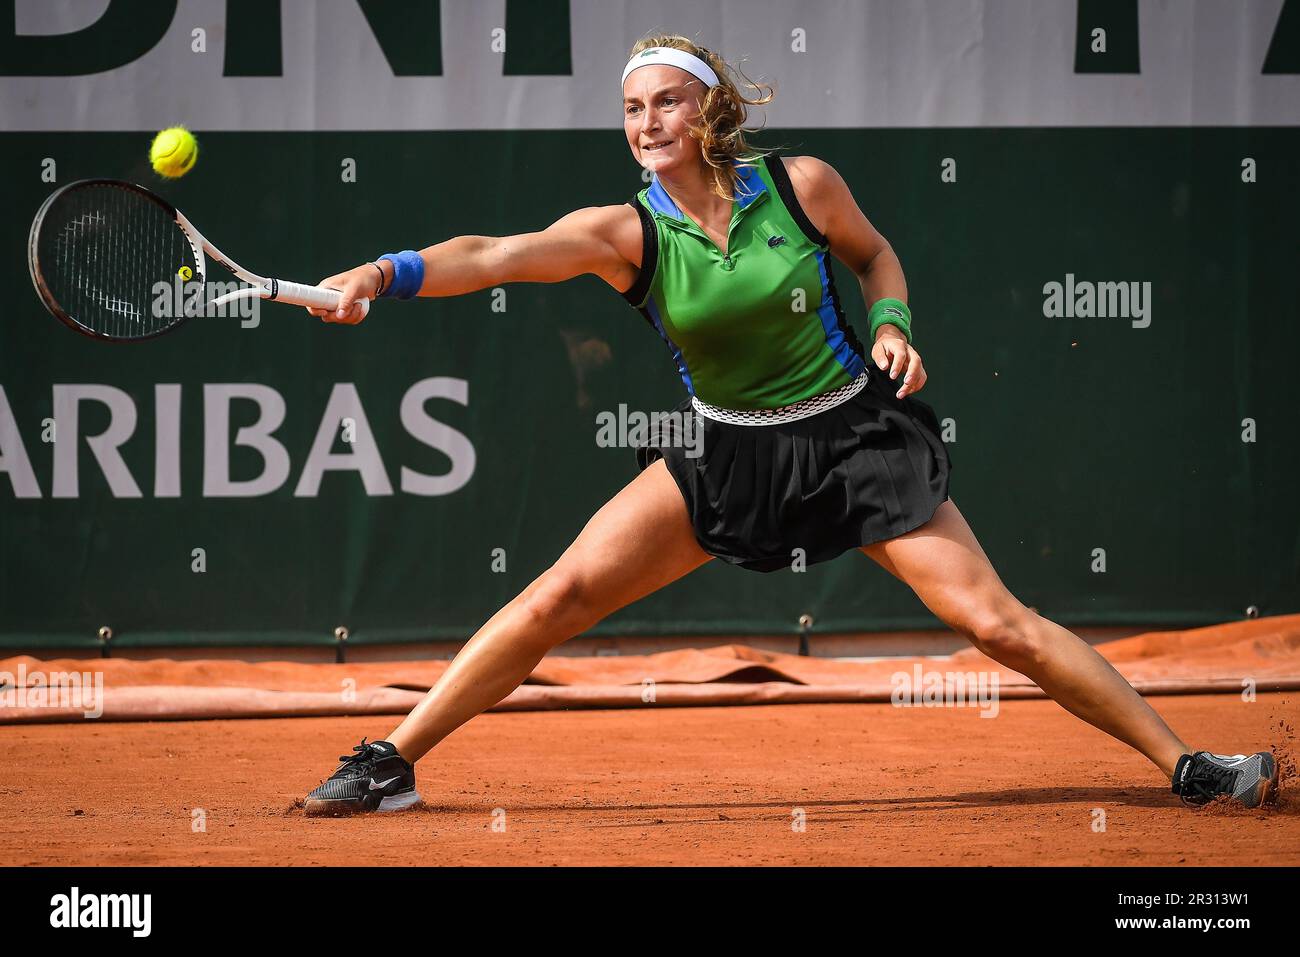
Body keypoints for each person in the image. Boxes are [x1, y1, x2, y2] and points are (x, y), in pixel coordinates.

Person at [299, 35, 1278, 816]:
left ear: (708, 108)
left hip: (856, 440)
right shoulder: (626, 234)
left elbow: (877, 256)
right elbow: (494, 254)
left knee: (996, 623)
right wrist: (382, 276)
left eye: (665, 101)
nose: (646, 122)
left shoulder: (801, 186)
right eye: (632, 108)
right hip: (725, 452)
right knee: (559, 596)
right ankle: (392, 760)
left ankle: (1187, 763)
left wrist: (890, 325)